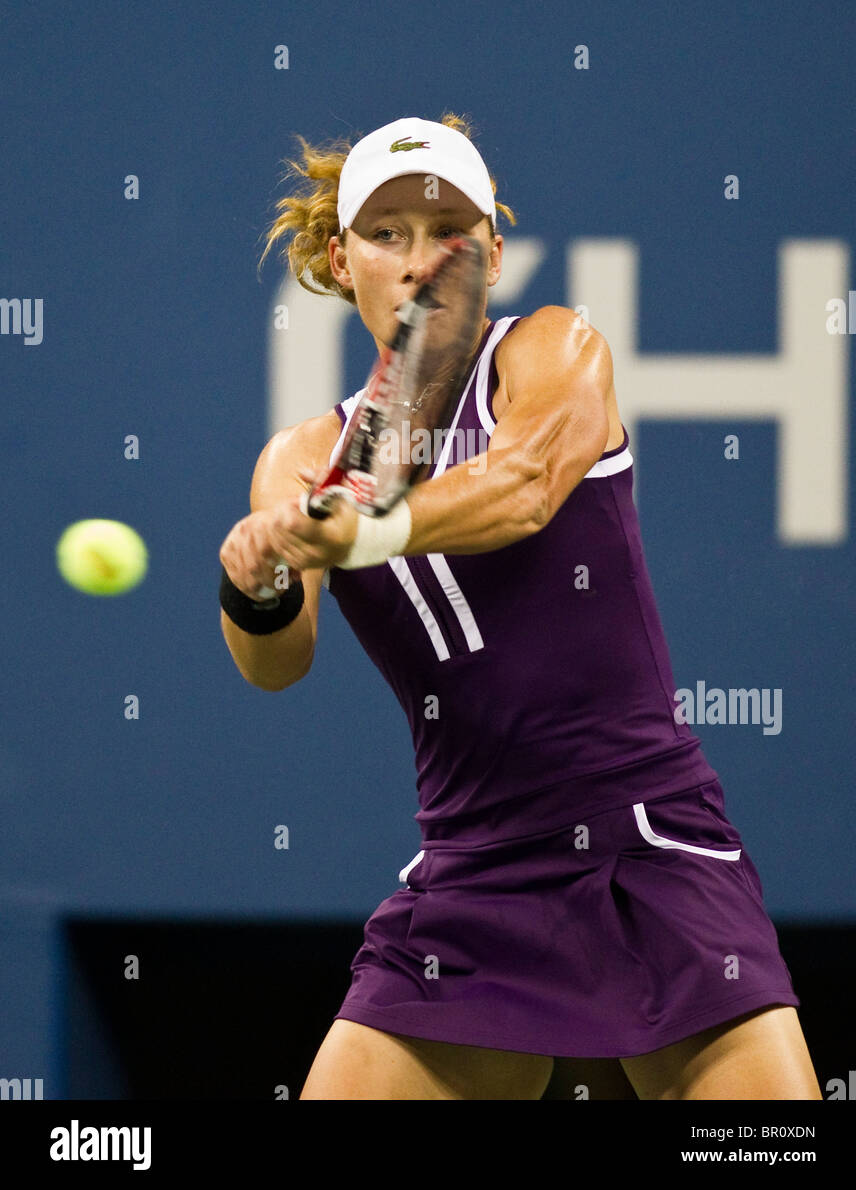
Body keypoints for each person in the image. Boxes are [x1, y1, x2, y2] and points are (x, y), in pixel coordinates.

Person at [219, 113, 822, 1101]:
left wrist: (362, 529)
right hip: (473, 872)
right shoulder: (295, 459)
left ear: (493, 251)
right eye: (385, 233)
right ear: (340, 257)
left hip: (646, 841)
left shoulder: (551, 351)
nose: (418, 261)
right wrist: (259, 585)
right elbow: (276, 662)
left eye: (446, 231)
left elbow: (525, 486)